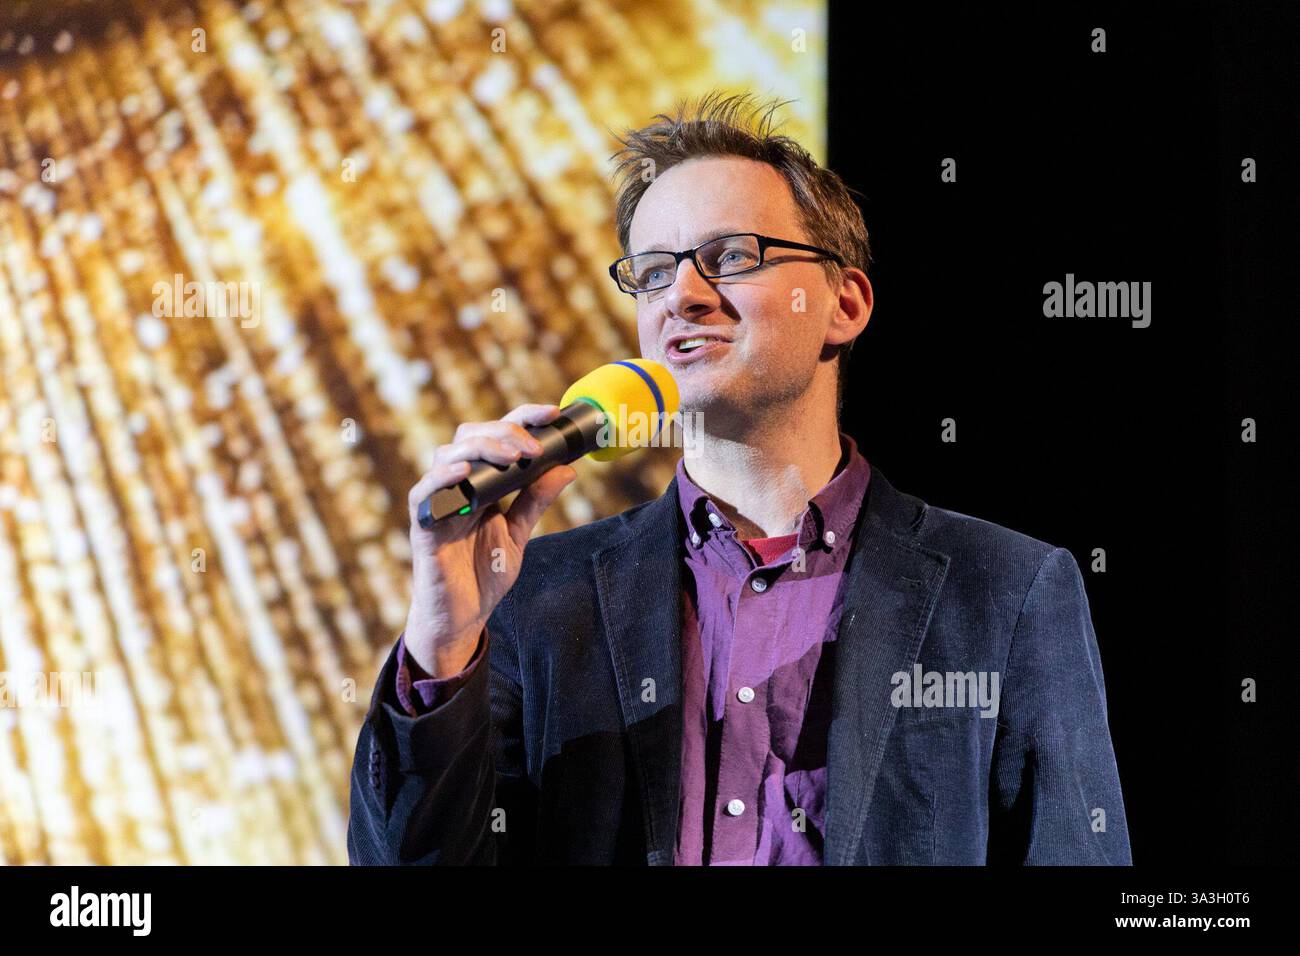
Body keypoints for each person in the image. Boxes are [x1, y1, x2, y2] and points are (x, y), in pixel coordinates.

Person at [347, 91, 1131, 865]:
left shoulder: (1004, 591)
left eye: (730, 257)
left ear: (844, 304)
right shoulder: (537, 600)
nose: (683, 296)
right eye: (653, 273)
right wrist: (442, 642)